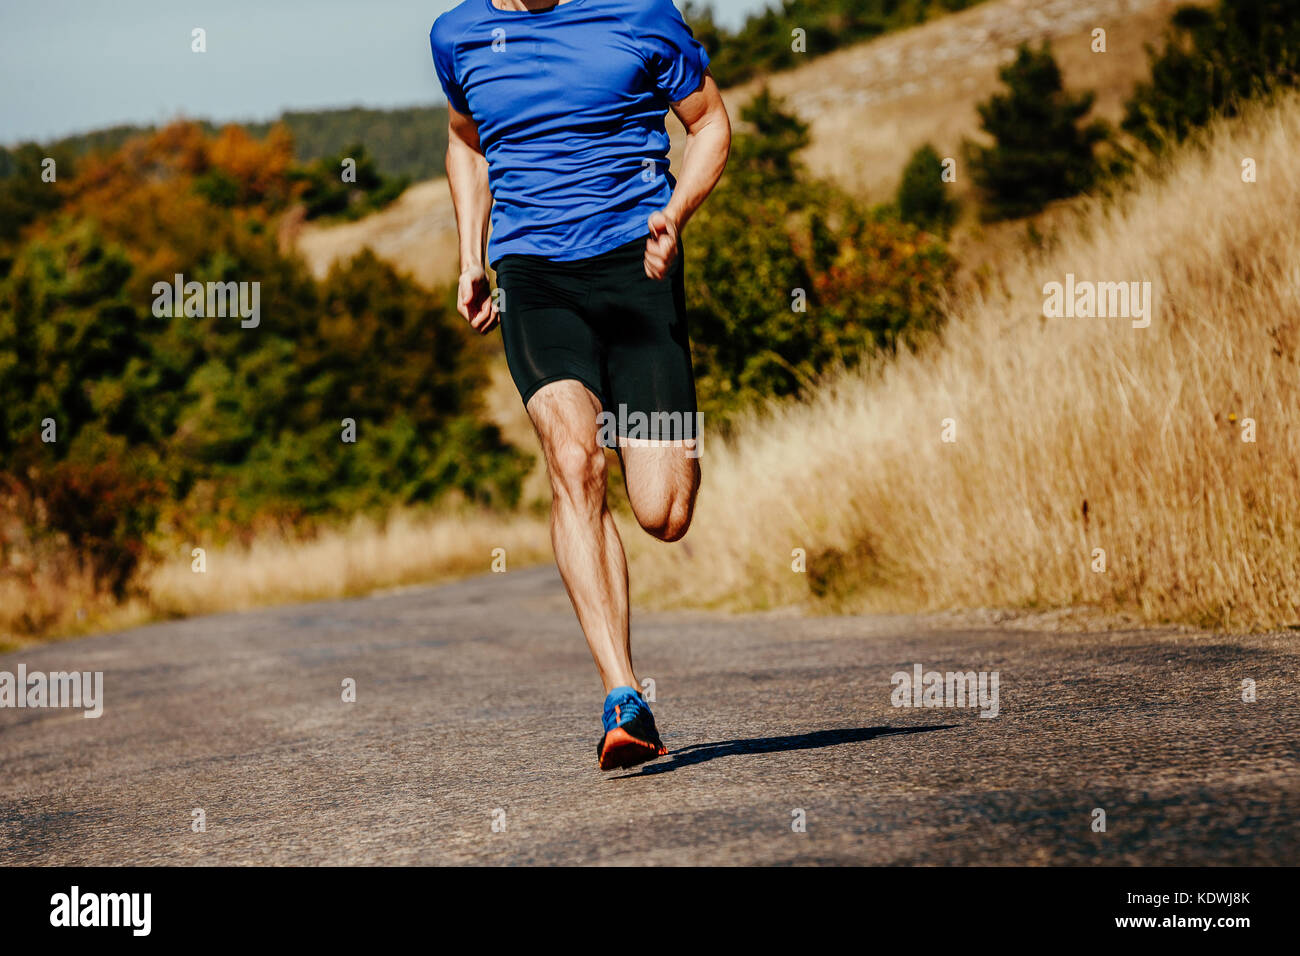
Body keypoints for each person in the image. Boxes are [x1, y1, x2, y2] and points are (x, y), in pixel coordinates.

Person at [431, 0, 731, 769]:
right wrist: (472, 255)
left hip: (639, 266)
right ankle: (622, 696)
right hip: (534, 277)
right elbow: (465, 144)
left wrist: (676, 213)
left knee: (663, 513)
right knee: (574, 459)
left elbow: (710, 123)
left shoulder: (640, 14)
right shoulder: (457, 35)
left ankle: (671, 460)